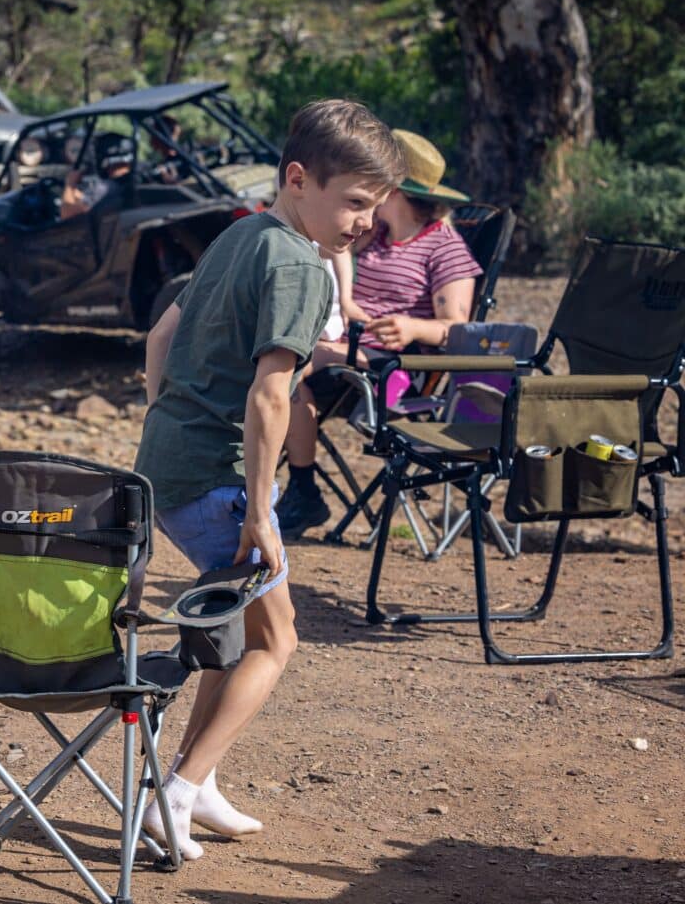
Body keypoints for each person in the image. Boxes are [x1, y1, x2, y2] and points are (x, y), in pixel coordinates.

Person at [134, 99, 405, 860]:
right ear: (298, 179)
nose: (365, 224)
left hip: (169, 463)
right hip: (220, 479)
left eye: (375, 207)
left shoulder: (241, 232)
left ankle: (200, 780)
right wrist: (260, 510)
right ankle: (175, 791)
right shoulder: (298, 265)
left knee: (239, 631)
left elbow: (162, 335)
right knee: (278, 638)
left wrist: (166, 418)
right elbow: (270, 395)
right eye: (354, 202)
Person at [273, 129, 482, 538]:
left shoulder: (445, 247)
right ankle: (292, 487)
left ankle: (299, 490)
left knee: (290, 363)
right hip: (344, 350)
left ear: (393, 190)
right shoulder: (375, 235)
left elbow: (460, 330)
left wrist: (412, 327)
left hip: (399, 367)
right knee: (283, 367)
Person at [61, 133, 133, 219]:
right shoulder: (135, 181)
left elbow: (67, 215)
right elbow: (95, 199)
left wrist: (70, 184)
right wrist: (78, 195)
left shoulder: (106, 187)